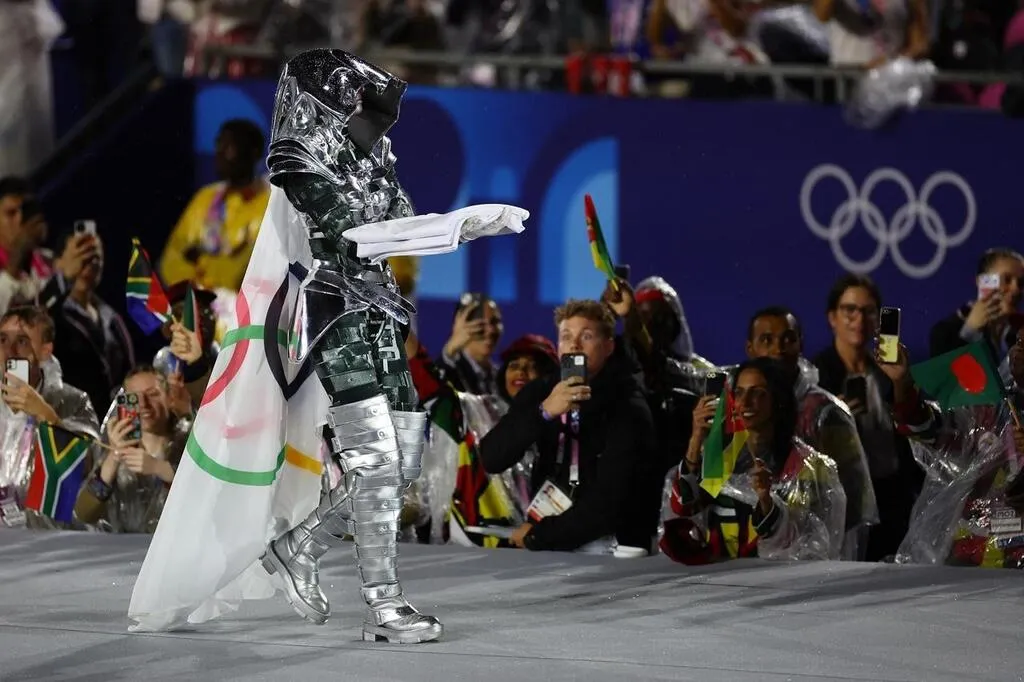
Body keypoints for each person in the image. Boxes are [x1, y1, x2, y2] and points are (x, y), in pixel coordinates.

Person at [128, 50, 527, 642]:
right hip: (333, 312)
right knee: (376, 460)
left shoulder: (372, 157)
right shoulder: (295, 157)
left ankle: (298, 545)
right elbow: (355, 234)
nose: (366, 104)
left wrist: (446, 226)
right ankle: (384, 607)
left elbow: (397, 220)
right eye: (350, 90)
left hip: (384, 310)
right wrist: (459, 226)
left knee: (407, 460)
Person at [480, 299, 658, 553]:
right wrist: (544, 412)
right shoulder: (541, 391)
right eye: (566, 336)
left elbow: (610, 503)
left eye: (586, 336)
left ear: (608, 346)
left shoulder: (628, 404)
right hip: (549, 540)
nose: (574, 344)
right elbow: (491, 457)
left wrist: (539, 537)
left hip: (610, 548)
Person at [660, 357, 847, 564]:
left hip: (776, 585)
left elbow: (810, 545)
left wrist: (766, 501)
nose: (745, 402)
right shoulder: (722, 458)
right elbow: (685, 511)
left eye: (758, 393)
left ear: (777, 399)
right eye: (739, 392)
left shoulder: (806, 467)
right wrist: (696, 439)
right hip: (717, 581)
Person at [745, 306, 878, 558]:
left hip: (813, 558)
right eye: (766, 340)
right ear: (749, 349)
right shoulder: (739, 409)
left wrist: (838, 569)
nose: (778, 349)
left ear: (800, 344)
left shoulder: (827, 413)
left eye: (788, 339)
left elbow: (853, 507)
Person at [812, 274, 919, 561]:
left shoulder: (892, 370)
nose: (858, 318)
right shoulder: (816, 376)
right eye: (850, 310)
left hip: (895, 496)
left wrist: (901, 382)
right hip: (846, 501)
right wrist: (830, 417)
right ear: (833, 317)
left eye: (868, 311)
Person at [0, 306, 99, 529]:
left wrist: (46, 416)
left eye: (23, 341)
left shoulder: (73, 401)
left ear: (45, 350)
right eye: (3, 339)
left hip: (49, 540)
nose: (10, 350)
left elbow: (88, 468)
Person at [159, 119, 270, 292]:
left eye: (229, 147)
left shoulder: (271, 204)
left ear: (254, 153)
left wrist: (203, 262)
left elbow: (250, 269)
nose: (219, 153)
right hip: (197, 307)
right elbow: (172, 257)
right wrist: (197, 289)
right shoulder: (205, 197)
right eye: (219, 144)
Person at [75, 365, 189, 533]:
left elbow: (205, 498)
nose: (143, 404)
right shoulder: (115, 448)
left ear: (169, 398)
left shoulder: (188, 442)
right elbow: (84, 513)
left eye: (153, 394)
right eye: (134, 397)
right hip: (126, 551)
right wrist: (114, 457)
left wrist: (159, 468)